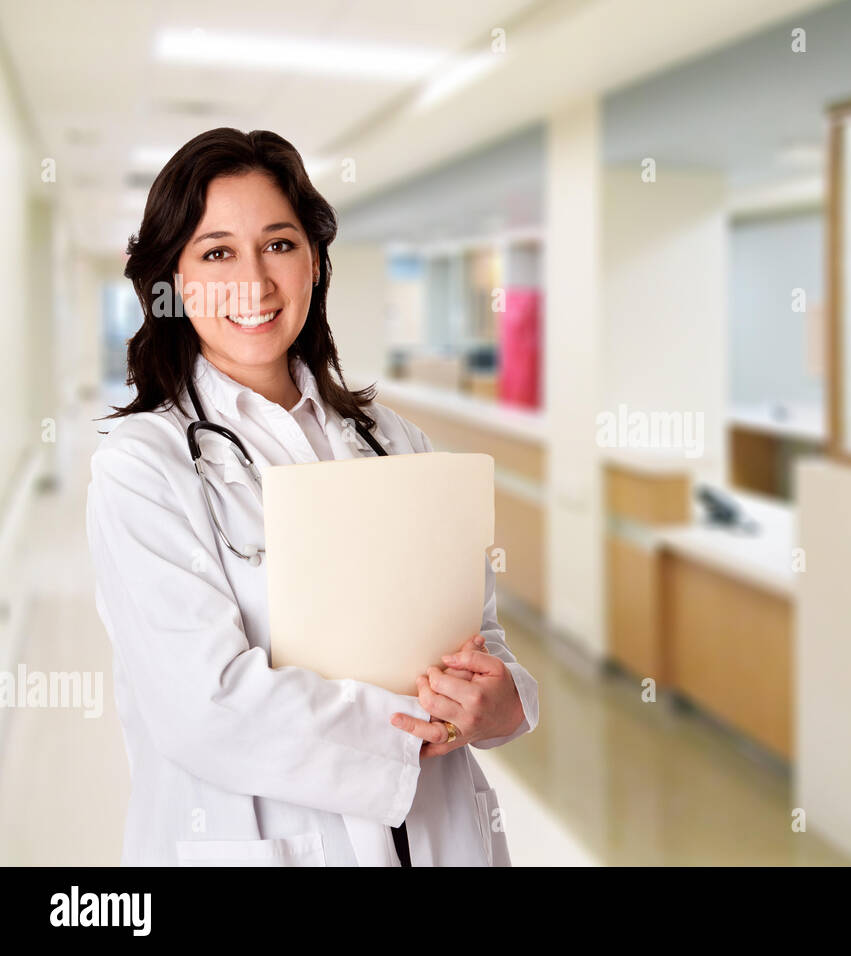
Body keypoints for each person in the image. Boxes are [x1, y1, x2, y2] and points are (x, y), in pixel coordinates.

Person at [85, 127, 539, 866]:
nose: (256, 283)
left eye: (280, 244)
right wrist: (420, 723)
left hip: (439, 834)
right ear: (171, 280)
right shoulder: (142, 467)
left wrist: (502, 698)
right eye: (217, 252)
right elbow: (206, 709)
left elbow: (477, 640)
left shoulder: (396, 441)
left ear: (316, 262)